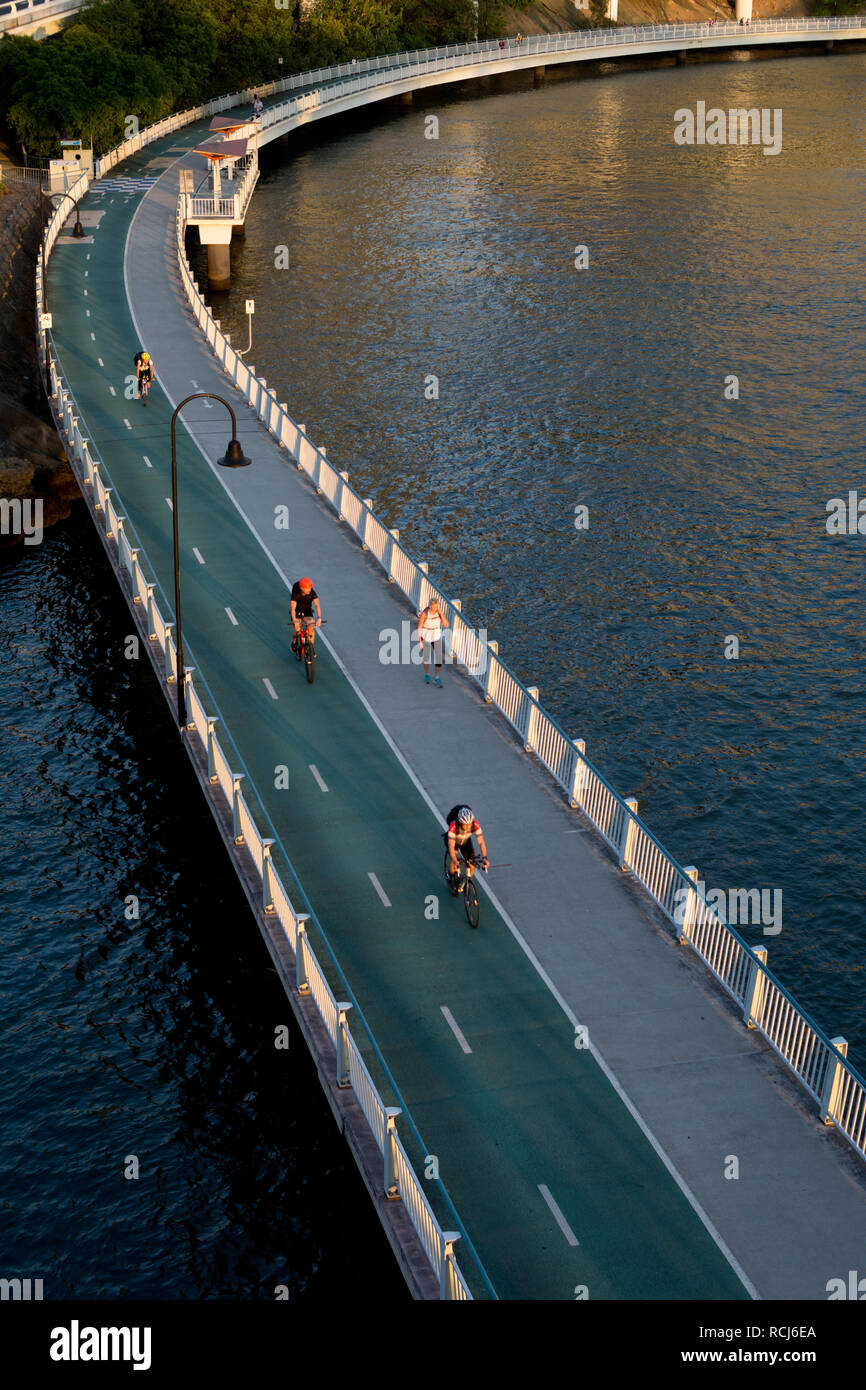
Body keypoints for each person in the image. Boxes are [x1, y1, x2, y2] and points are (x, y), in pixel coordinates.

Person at [444, 805, 489, 892]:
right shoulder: (453, 827)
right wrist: (455, 861)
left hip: (466, 842)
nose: (468, 827)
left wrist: (484, 858)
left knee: (471, 864)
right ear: (460, 823)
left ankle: (467, 882)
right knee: (456, 860)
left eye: (470, 824)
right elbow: (451, 847)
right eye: (466, 825)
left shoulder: (475, 825)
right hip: (453, 842)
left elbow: (481, 842)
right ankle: (451, 876)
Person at [417, 598, 449, 686]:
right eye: (434, 607)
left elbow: (446, 625)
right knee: (426, 658)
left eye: (437, 607)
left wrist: (442, 615)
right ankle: (427, 674)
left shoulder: (439, 613)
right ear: (430, 606)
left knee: (438, 658)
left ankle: (437, 677)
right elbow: (419, 628)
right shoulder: (424, 614)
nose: (435, 609)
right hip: (426, 636)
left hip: (436, 636)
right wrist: (420, 641)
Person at [290, 576, 322, 650]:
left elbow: (317, 605)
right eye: (307, 588)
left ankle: (311, 648)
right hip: (297, 611)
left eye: (310, 588)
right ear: (302, 588)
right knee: (297, 630)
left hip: (307, 611)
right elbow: (293, 608)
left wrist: (319, 618)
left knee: (311, 626)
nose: (309, 590)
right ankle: (294, 641)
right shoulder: (295, 594)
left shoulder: (312, 593)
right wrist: (295, 620)